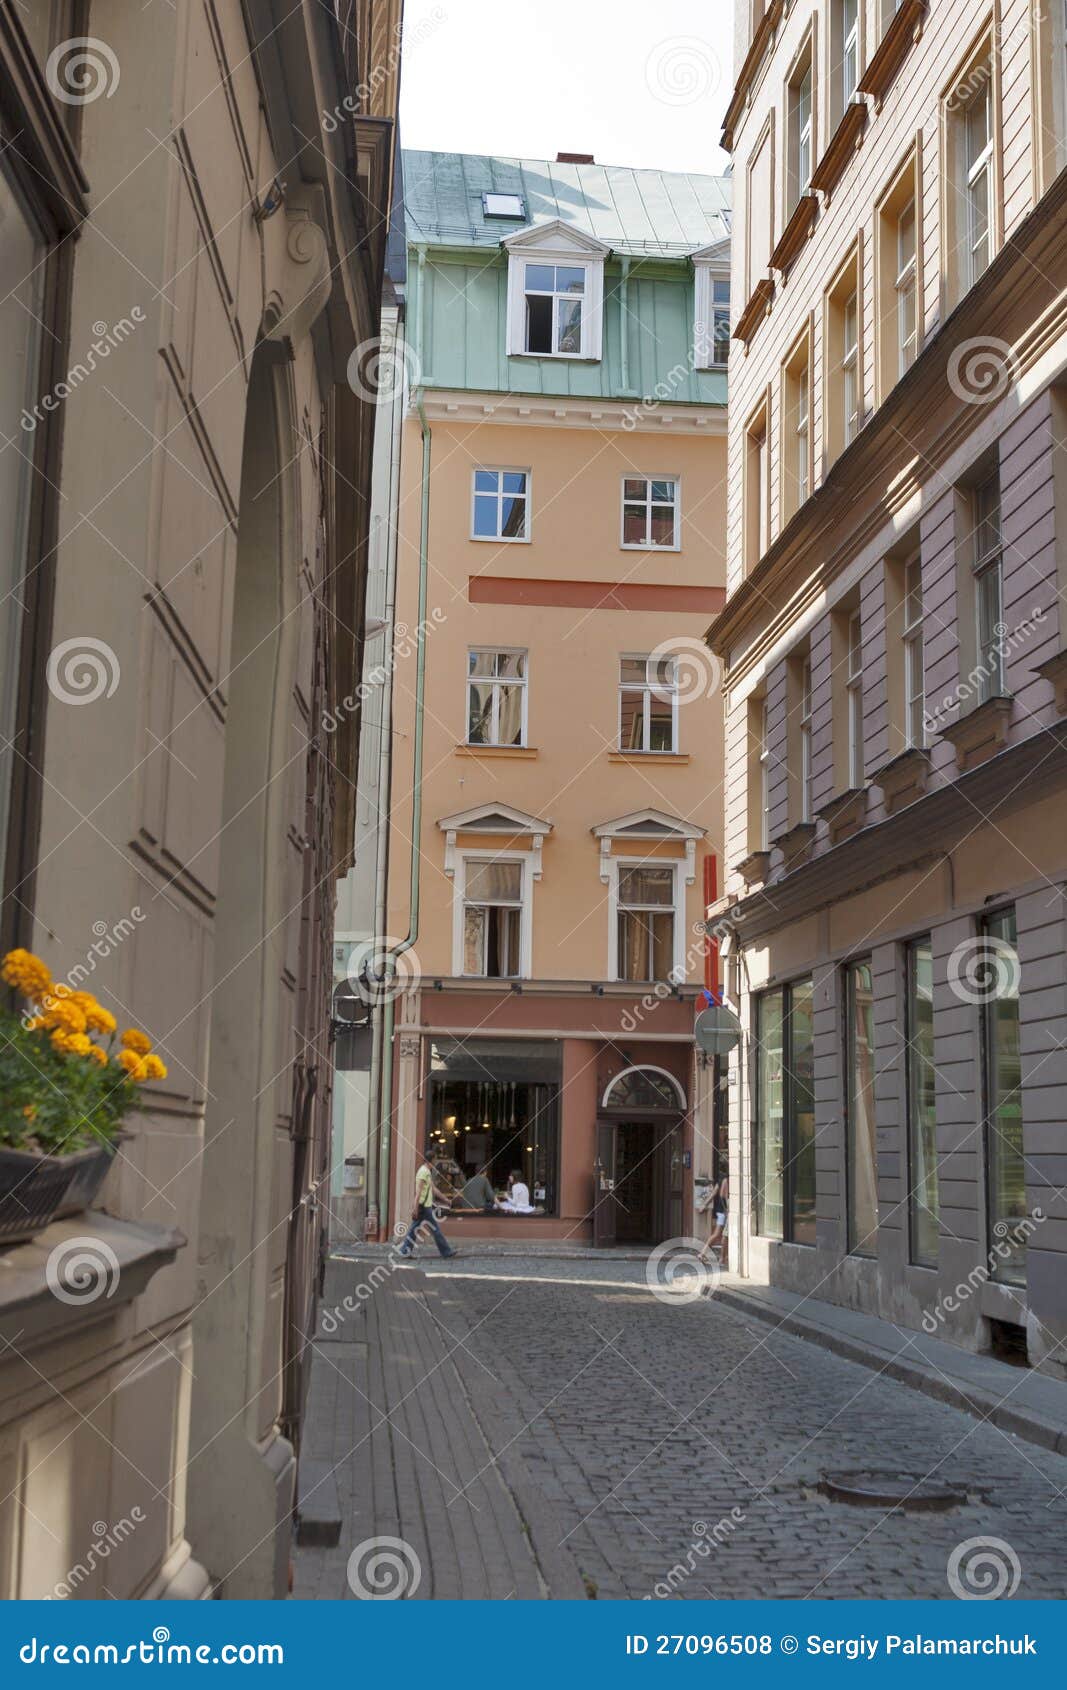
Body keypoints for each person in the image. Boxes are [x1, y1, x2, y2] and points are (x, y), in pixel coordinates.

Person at [398, 1147, 458, 1258]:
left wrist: (445, 1200)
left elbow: (433, 1189)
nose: (436, 1161)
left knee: (415, 1230)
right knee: (434, 1229)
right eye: (435, 1159)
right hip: (423, 1207)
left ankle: (405, 1251)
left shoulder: (426, 1171)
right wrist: (415, 1208)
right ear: (432, 1159)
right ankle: (446, 1252)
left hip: (425, 1206)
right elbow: (418, 1192)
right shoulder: (423, 1172)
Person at [699, 1173, 728, 1265]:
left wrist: (704, 1205)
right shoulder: (726, 1180)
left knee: (722, 1235)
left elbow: (713, 1194)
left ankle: (722, 1258)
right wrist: (727, 1210)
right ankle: (703, 1254)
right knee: (720, 1235)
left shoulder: (720, 1181)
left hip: (720, 1212)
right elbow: (723, 1196)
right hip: (723, 1212)